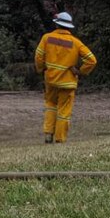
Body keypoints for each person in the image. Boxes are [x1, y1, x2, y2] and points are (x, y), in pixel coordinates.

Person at [35, 11, 97, 143]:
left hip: (51, 80)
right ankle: (60, 139)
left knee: (51, 105)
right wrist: (80, 72)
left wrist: (42, 68)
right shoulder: (76, 42)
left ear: (57, 25)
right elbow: (92, 60)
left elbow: (38, 56)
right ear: (69, 27)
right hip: (68, 83)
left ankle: (48, 134)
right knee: (64, 111)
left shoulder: (47, 38)